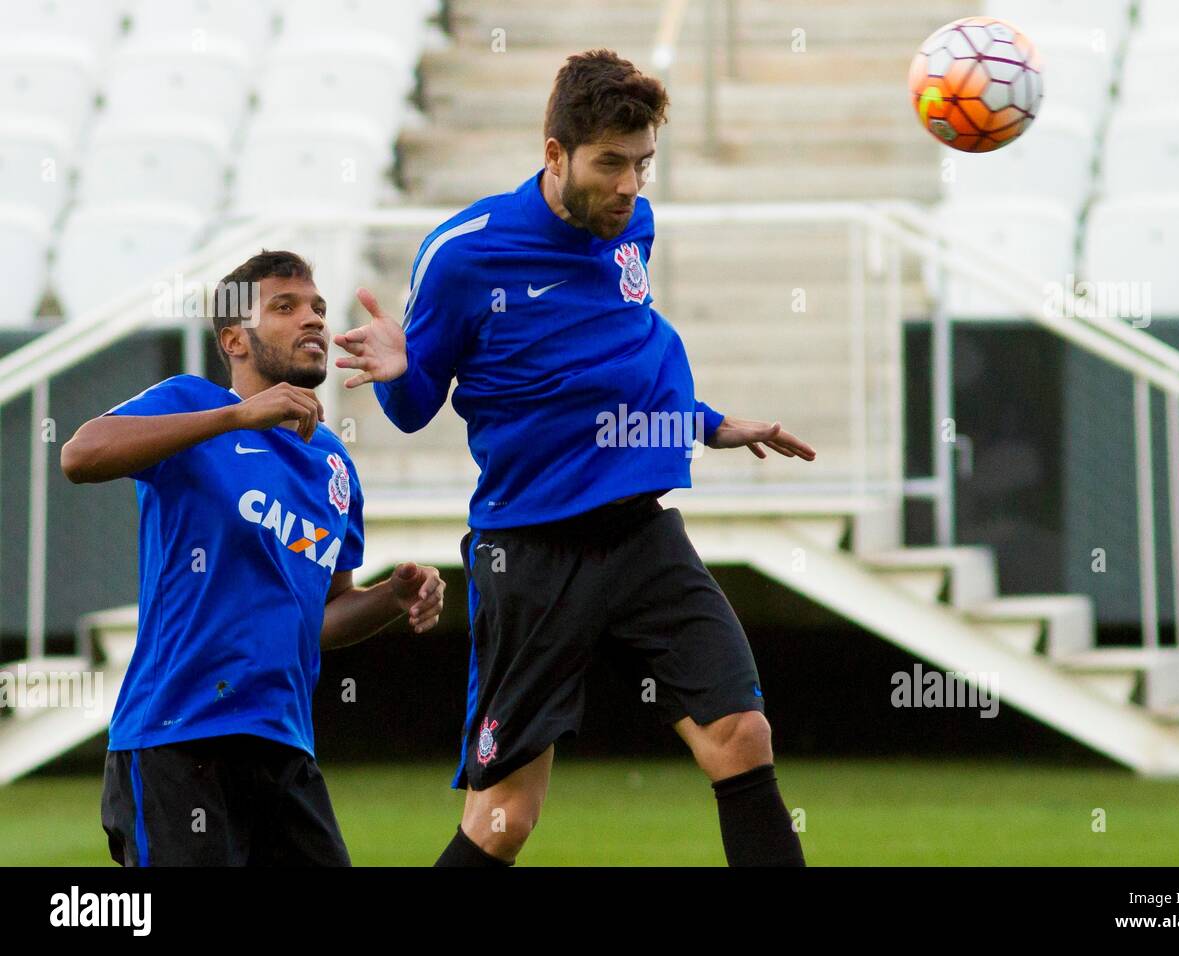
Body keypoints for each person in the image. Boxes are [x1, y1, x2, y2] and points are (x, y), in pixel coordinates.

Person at [336, 50, 815, 867]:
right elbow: (415, 408)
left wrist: (704, 423)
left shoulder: (635, 227)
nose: (630, 186)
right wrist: (394, 371)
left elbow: (612, 362)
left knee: (742, 736)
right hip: (531, 550)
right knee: (504, 818)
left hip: (640, 534)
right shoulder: (465, 254)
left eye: (642, 164)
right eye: (610, 164)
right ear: (554, 153)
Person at [61, 250, 445, 866]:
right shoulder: (191, 402)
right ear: (234, 339)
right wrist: (237, 416)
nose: (313, 319)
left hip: (283, 747)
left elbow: (321, 616)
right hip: (178, 741)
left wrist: (392, 599)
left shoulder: (333, 466)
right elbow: (79, 455)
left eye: (318, 307)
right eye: (285, 307)